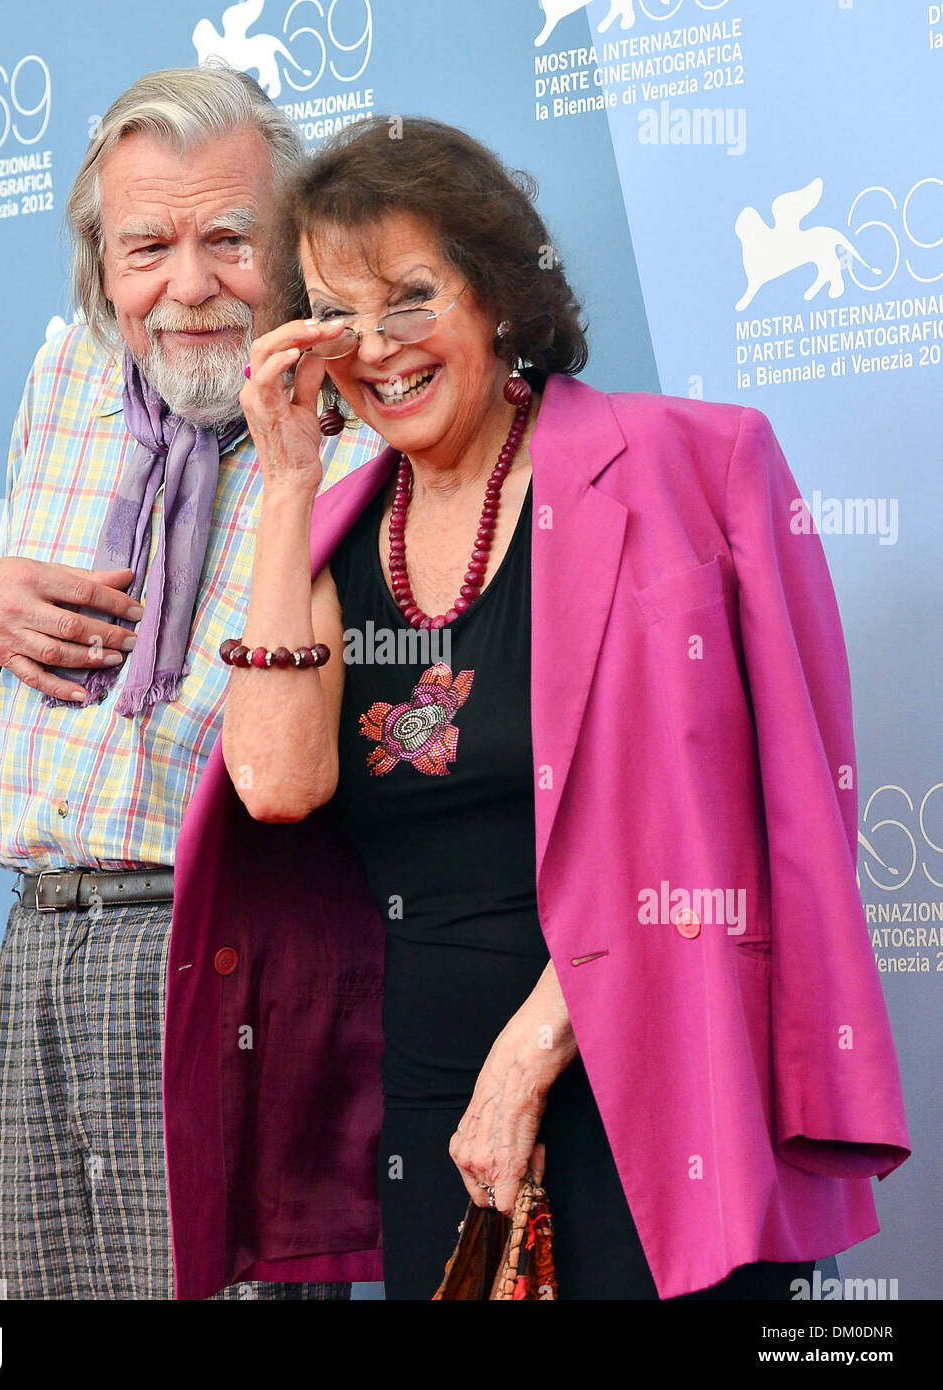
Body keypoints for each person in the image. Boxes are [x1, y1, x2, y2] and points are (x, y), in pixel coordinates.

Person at [164, 117, 910, 1300]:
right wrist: (289, 478)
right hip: (435, 1117)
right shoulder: (331, 533)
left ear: (501, 293)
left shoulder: (691, 470)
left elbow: (729, 820)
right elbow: (277, 780)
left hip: (659, 1090)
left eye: (412, 296)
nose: (378, 347)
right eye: (339, 314)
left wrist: (530, 1053)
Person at [0, 67, 381, 1300]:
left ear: (291, 249)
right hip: (38, 952)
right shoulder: (64, 384)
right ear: (101, 267)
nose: (188, 285)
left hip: (225, 947)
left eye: (229, 239)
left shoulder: (359, 434)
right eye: (147, 247)